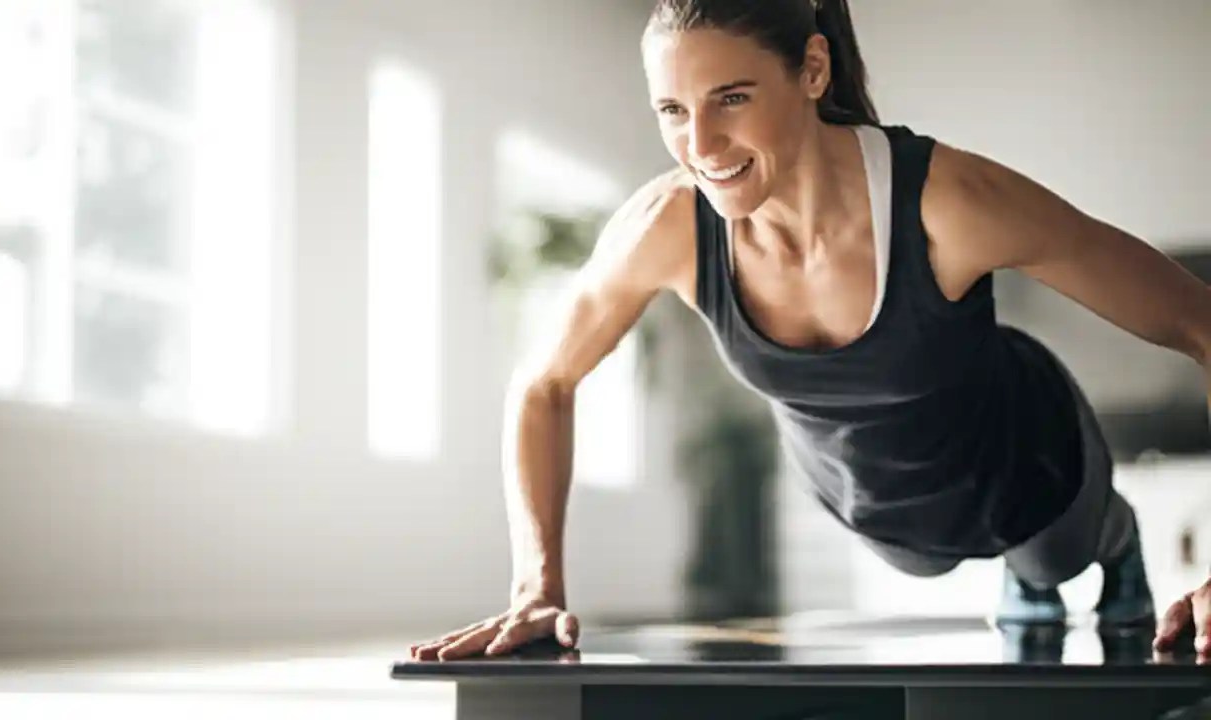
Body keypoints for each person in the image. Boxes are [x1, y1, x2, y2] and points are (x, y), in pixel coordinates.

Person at [409, 0, 1211, 662]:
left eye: (731, 98)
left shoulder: (949, 202)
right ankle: (1028, 580)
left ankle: (1113, 545)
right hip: (881, 513)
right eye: (671, 110)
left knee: (1053, 558)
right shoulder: (669, 226)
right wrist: (535, 589)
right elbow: (544, 382)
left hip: (1029, 462)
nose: (700, 146)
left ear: (813, 72)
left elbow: (1195, 318)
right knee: (923, 562)